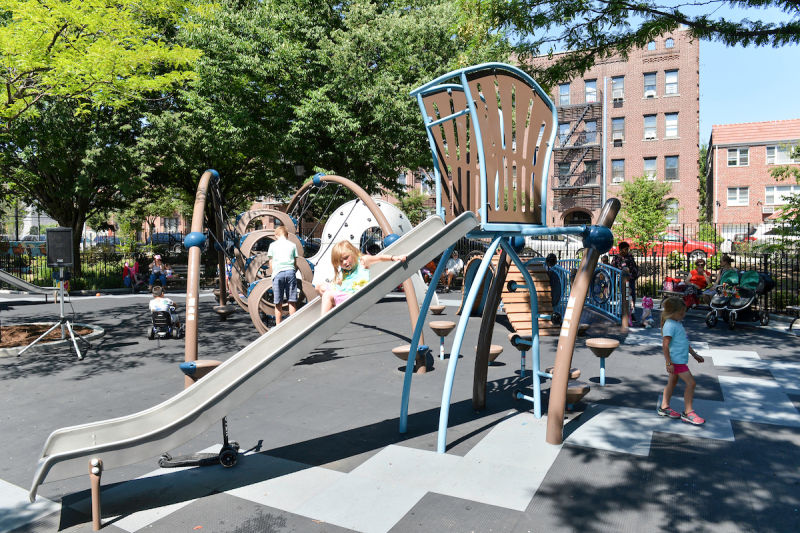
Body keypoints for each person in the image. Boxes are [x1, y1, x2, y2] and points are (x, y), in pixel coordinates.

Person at [319, 240, 406, 315]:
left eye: (346, 258)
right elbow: (347, 282)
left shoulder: (363, 261)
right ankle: (333, 306)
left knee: (327, 295)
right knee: (319, 287)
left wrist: (395, 258)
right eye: (341, 261)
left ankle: (322, 321)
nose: (345, 262)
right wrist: (338, 282)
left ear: (352, 252)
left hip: (355, 297)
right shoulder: (345, 270)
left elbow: (380, 258)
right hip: (346, 294)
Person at [658, 297, 705, 425]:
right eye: (681, 313)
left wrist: (695, 354)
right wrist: (669, 363)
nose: (683, 315)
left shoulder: (677, 323)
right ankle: (688, 412)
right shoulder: (669, 325)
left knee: (672, 383)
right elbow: (665, 345)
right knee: (691, 383)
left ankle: (664, 407)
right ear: (672, 312)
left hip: (679, 360)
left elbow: (684, 342)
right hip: (676, 361)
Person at [267, 225, 299, 325]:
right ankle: (293, 325)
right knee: (292, 301)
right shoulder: (292, 245)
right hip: (290, 271)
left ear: (276, 235)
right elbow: (295, 262)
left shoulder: (272, 245)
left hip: (278, 273)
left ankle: (278, 326)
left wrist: (273, 273)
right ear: (287, 235)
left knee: (278, 303)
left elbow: (271, 262)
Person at [611, 241, 639, 320]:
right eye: (625, 249)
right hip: (622, 281)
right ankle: (622, 313)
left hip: (631, 279)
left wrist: (634, 274)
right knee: (623, 296)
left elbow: (634, 266)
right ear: (621, 249)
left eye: (627, 249)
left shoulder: (629, 256)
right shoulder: (616, 258)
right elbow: (613, 269)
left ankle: (631, 313)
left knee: (631, 296)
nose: (627, 251)